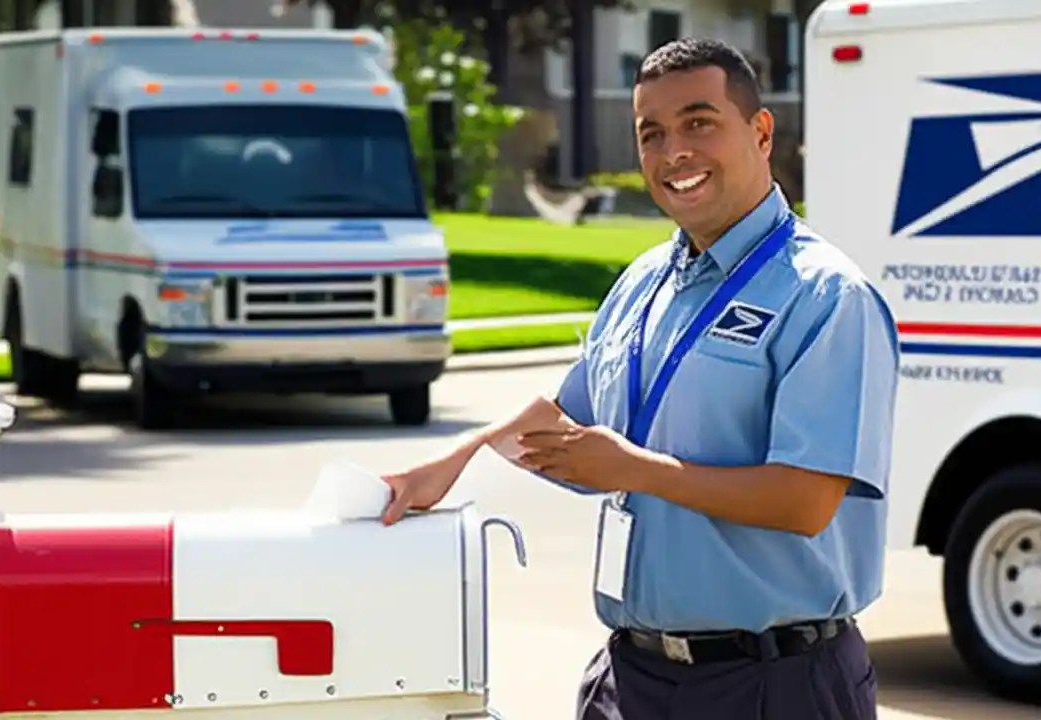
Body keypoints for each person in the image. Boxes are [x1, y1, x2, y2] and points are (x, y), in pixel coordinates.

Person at [379, 37, 899, 720]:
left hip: (775, 684)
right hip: (632, 677)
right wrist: (458, 458)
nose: (673, 151)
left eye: (699, 123)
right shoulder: (644, 281)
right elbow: (568, 419)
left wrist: (638, 470)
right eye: (651, 133)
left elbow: (805, 501)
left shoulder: (827, 297)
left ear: (761, 131)